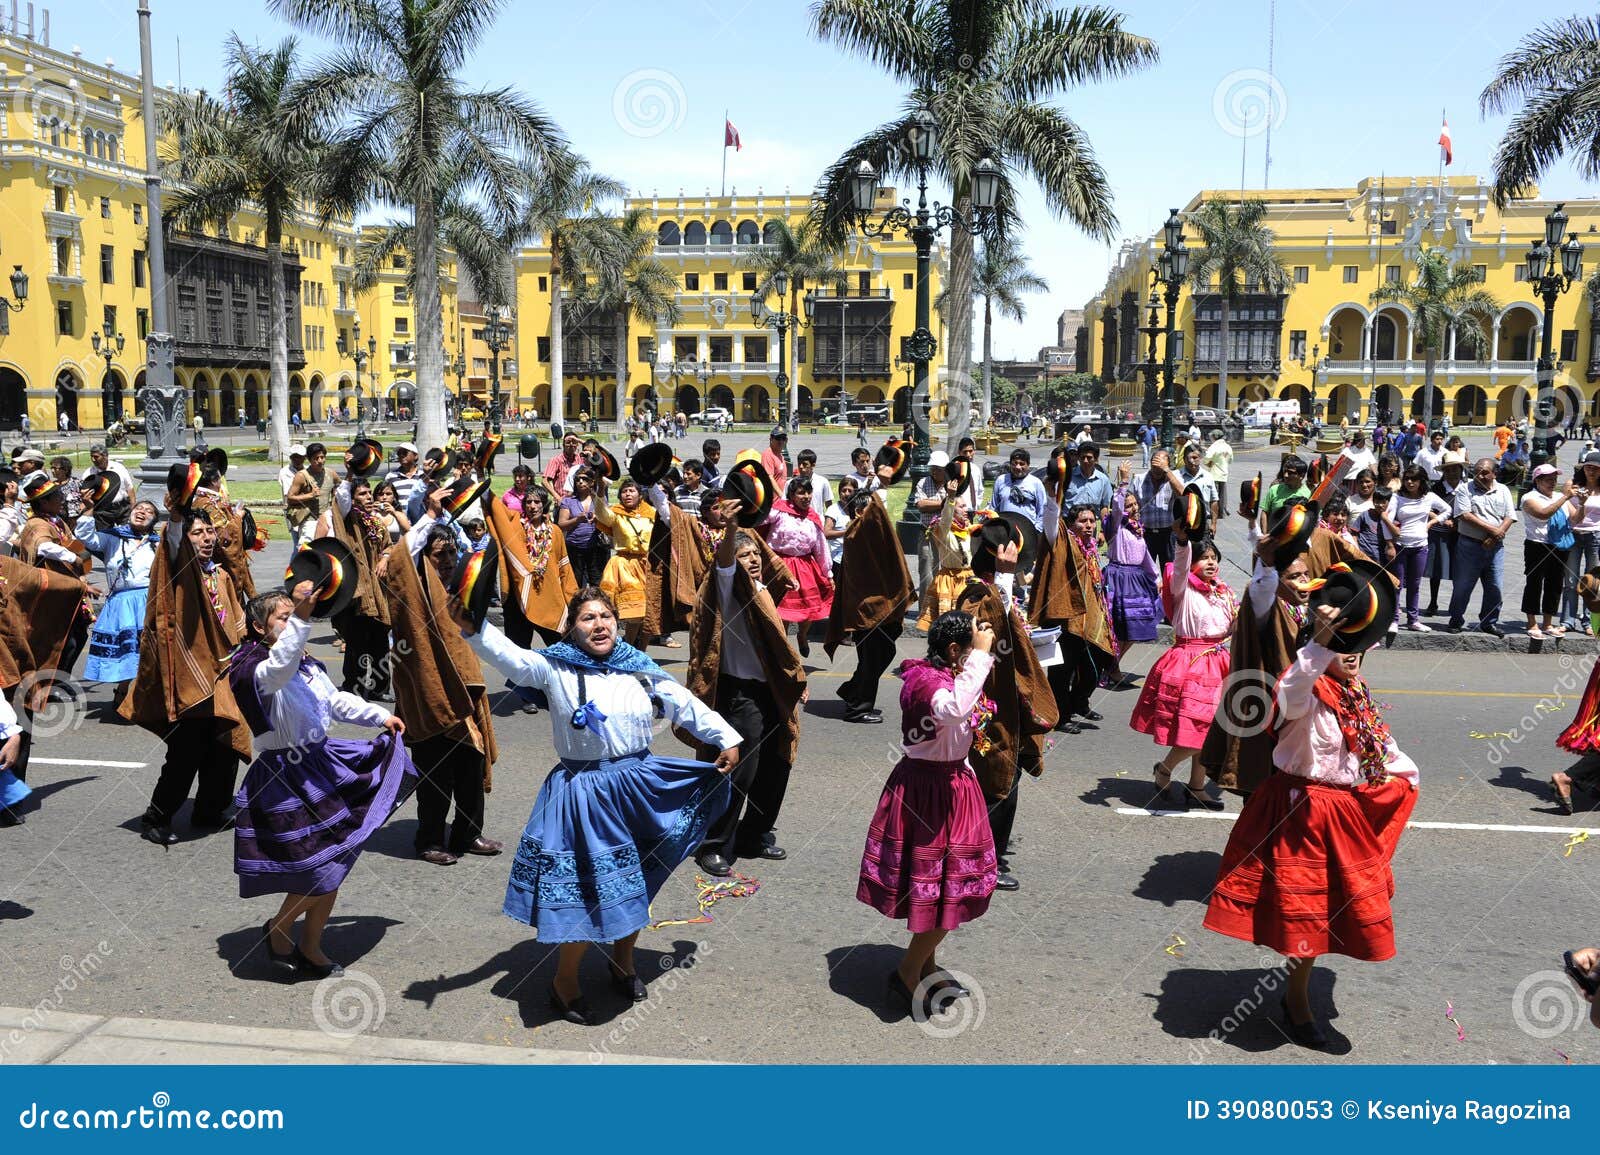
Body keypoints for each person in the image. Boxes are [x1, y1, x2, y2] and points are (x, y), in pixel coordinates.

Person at [459, 586, 741, 1024]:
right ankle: (564, 983)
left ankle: (622, 962)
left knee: (638, 881)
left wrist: (724, 736)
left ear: (618, 623)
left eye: (606, 616)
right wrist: (475, 628)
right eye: (587, 618)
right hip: (584, 794)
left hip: (639, 787)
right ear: (572, 628)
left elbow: (681, 702)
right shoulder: (554, 667)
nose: (599, 625)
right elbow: (511, 658)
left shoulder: (638, 666)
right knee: (585, 891)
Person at [1204, 603, 1419, 1049]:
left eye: (1358, 642)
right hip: (1294, 813)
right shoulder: (1300, 688)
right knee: (1306, 912)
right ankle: (1297, 1002)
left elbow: (1381, 752)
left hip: (1337, 815)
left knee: (1328, 912)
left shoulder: (1355, 693)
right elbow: (1294, 688)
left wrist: (1402, 780)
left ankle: (1295, 995)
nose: (1352, 651)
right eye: (1342, 644)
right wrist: (1322, 640)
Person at [230, 582, 415, 979]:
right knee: (316, 869)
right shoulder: (255, 670)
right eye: (282, 616)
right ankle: (280, 927)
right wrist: (301, 616)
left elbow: (334, 700)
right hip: (284, 777)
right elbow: (281, 662)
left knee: (334, 864)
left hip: (321, 765)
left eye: (291, 615)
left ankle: (310, 943)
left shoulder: (308, 664)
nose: (292, 620)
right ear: (260, 628)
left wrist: (377, 716)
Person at [857, 610, 999, 1018]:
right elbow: (954, 711)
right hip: (929, 794)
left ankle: (926, 965)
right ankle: (907, 972)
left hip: (953, 785)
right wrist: (981, 657)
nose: (981, 656)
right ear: (956, 651)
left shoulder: (945, 675)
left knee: (943, 887)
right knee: (945, 890)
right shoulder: (926, 683)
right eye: (972, 649)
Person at [121, 499, 250, 847]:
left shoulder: (220, 575)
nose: (207, 538)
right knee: (185, 752)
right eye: (198, 533)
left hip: (220, 675)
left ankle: (210, 809)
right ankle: (157, 817)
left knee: (225, 743)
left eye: (210, 531)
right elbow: (173, 540)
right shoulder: (176, 572)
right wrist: (177, 516)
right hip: (189, 679)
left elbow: (233, 623)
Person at [684, 511, 804, 876]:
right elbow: (723, 565)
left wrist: (798, 683)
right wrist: (732, 528)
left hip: (772, 692)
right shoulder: (727, 588)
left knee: (777, 765)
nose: (752, 560)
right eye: (743, 555)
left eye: (755, 554)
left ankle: (753, 835)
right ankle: (713, 844)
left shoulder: (763, 590)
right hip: (740, 696)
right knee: (740, 771)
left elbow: (779, 648)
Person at [379, 509, 502, 866]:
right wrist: (428, 513)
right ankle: (429, 839)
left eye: (451, 554)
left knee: (470, 770)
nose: (447, 561)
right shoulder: (412, 595)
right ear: (424, 559)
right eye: (439, 555)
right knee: (435, 776)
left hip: (466, 698)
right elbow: (404, 558)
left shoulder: (460, 591)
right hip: (428, 698)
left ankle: (468, 832)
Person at [1130, 527, 1232, 811]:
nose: (1211, 563)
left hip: (1218, 663)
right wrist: (1184, 541)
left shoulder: (1222, 592)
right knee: (1205, 728)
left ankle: (1197, 787)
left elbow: (1230, 627)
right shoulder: (1182, 587)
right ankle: (1165, 768)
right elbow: (1181, 561)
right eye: (1205, 558)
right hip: (1190, 661)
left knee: (1211, 729)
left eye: (1215, 557)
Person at [826, 460, 913, 724]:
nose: (875, 515)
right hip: (868, 612)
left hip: (880, 608)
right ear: (858, 513)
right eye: (866, 510)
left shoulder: (867, 530)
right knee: (873, 657)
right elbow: (873, 512)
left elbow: (876, 515)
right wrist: (879, 484)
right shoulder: (857, 532)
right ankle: (858, 707)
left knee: (882, 654)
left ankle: (853, 690)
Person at [1030, 503, 1117, 734]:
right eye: (1083, 521)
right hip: (1065, 619)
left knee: (1096, 665)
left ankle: (1079, 702)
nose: (1088, 526)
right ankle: (1061, 716)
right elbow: (1050, 521)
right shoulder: (1062, 541)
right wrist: (1053, 493)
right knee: (1062, 671)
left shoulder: (1090, 548)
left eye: (1091, 521)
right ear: (1070, 524)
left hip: (1090, 620)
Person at [74, 496, 159, 692]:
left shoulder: (158, 543)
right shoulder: (113, 537)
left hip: (148, 599)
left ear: (154, 520)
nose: (142, 511)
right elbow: (86, 538)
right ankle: (122, 690)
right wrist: (88, 512)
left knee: (148, 649)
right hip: (121, 602)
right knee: (126, 650)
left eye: (149, 511)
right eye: (139, 508)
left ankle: (147, 697)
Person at [1446, 458, 1515, 638]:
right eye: (1477, 471)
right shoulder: (1464, 489)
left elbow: (1510, 516)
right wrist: (1493, 530)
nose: (1480, 475)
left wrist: (1496, 535)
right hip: (1469, 545)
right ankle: (1455, 619)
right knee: (1463, 585)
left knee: (1495, 587)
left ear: (1494, 473)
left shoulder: (1503, 490)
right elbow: (1465, 515)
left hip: (1496, 547)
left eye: (1485, 472)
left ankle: (1489, 622)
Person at [765, 476, 833, 657]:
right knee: (783, 612)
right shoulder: (779, 511)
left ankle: (802, 635)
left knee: (808, 609)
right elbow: (759, 520)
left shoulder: (813, 517)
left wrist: (828, 573)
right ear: (792, 495)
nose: (806, 496)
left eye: (808, 492)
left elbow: (820, 547)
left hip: (804, 566)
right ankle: (782, 648)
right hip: (780, 566)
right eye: (801, 492)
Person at [593, 476, 659, 647]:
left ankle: (642, 650)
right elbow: (601, 514)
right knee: (633, 612)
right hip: (623, 565)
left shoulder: (651, 514)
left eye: (631, 491)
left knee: (649, 613)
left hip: (647, 565)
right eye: (624, 491)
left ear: (640, 494)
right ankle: (627, 646)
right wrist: (600, 489)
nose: (627, 494)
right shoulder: (616, 513)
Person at [1520, 463, 1577, 639]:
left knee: (1555, 584)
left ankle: (1547, 622)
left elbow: (1575, 519)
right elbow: (1543, 514)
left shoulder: (1560, 496)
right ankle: (1532, 622)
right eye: (1548, 480)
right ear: (1537, 481)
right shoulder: (1529, 497)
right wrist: (1565, 498)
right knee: (1534, 583)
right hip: (1537, 545)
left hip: (1559, 545)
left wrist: (1582, 503)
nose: (1552, 483)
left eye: (1554, 479)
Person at [1391, 466, 1452, 632]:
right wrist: (1391, 541)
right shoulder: (1397, 498)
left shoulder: (1429, 497)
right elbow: (1388, 520)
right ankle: (1394, 620)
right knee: (1397, 584)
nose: (1410, 482)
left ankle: (1413, 620)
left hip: (1420, 546)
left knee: (1415, 585)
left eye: (1414, 479)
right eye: (1407, 478)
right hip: (1401, 546)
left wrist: (1432, 522)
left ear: (1421, 481)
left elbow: (1448, 509)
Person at [915, 477, 974, 632]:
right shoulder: (942, 530)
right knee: (948, 627)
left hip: (968, 579)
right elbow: (946, 518)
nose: (966, 509)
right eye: (961, 507)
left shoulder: (970, 529)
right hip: (949, 581)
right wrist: (951, 498)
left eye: (965, 506)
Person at [1424, 451, 1467, 619]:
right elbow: (1426, 508)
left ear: (1461, 470)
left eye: (1455, 469)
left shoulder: (1466, 489)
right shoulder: (1436, 488)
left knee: (1460, 571)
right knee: (1436, 570)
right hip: (1439, 534)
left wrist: (1459, 524)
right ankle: (1433, 602)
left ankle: (1455, 605)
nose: (1452, 473)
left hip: (1461, 535)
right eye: (1448, 470)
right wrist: (1442, 520)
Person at [1563, 451, 1600, 636]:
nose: (1591, 471)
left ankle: (1588, 621)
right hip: (1574, 534)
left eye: (1595, 468)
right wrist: (1582, 503)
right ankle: (1568, 620)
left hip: (1596, 536)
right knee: (1570, 580)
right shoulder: (1572, 486)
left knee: (1592, 582)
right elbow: (1573, 518)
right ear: (1582, 467)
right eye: (1588, 467)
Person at [557, 467, 611, 589]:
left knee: (597, 582)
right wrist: (577, 520)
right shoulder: (568, 501)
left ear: (592, 482)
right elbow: (561, 524)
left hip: (596, 548)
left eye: (585, 479)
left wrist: (598, 518)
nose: (580, 482)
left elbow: (608, 520)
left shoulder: (598, 499)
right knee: (575, 583)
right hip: (574, 548)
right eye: (577, 479)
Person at [285, 443, 337, 553]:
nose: (320, 461)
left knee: (329, 553)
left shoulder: (331, 473)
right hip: (309, 521)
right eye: (316, 458)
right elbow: (290, 498)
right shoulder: (302, 476)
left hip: (326, 520)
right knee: (306, 554)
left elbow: (341, 488)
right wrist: (310, 495)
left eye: (322, 457)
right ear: (309, 459)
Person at [990, 447, 1049, 533]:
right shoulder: (1001, 480)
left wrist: (1036, 531)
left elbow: (1043, 511)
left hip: (1028, 532)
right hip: (1005, 531)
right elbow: (994, 507)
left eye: (1022, 464)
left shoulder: (1036, 483)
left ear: (1028, 465)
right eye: (1015, 463)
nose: (1018, 467)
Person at [543, 431, 584, 496]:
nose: (571, 444)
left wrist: (579, 440)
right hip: (563, 500)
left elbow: (595, 451)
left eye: (574, 442)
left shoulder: (581, 459)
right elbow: (545, 481)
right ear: (563, 445)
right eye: (568, 442)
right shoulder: (556, 460)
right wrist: (557, 497)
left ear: (577, 445)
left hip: (579, 500)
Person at [1203, 431, 1233, 516]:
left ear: (1214, 437)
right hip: (1224, 472)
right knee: (1222, 493)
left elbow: (1207, 458)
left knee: (1213, 494)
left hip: (1214, 472)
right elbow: (1231, 460)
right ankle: (1221, 511)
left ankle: (1214, 512)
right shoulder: (1228, 446)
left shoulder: (1214, 446)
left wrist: (1209, 463)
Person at [761, 427, 790, 494]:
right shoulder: (768, 455)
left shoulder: (780, 455)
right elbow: (769, 478)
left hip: (780, 500)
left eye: (783, 438)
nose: (781, 441)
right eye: (778, 438)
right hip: (773, 501)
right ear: (771, 439)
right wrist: (781, 495)